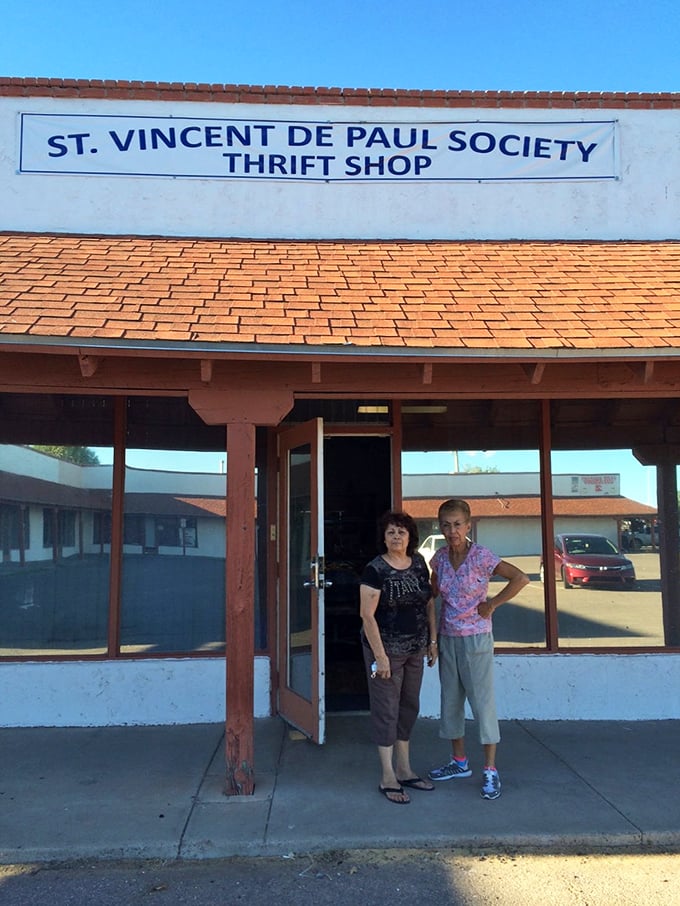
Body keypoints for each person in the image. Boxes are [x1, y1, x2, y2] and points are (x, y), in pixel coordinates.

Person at [427, 498, 530, 800]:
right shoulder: (440, 559)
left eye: (457, 524)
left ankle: (490, 769)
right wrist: (431, 640)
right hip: (448, 638)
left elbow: (520, 578)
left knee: (482, 703)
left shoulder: (483, 556)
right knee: (451, 702)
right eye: (446, 525)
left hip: (476, 639)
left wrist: (492, 604)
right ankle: (459, 762)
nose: (451, 530)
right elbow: (432, 595)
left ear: (468, 525)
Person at [360, 510, 438, 804]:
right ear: (383, 537)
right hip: (387, 651)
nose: (396, 536)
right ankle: (387, 776)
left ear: (410, 537)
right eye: (391, 532)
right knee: (386, 711)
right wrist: (380, 657)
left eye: (401, 532)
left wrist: (432, 641)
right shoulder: (375, 569)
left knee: (409, 707)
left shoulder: (418, 564)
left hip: (416, 648)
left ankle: (405, 769)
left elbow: (428, 603)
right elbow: (367, 615)